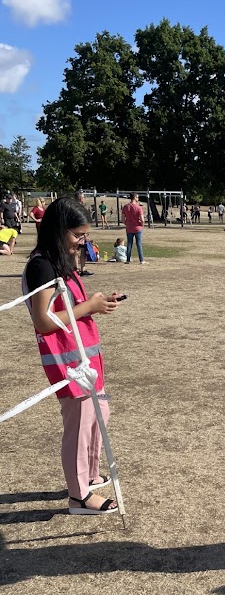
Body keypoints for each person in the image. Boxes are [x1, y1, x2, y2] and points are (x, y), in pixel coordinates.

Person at [22, 197, 124, 513]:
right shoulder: (42, 266)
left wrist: (97, 302)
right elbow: (43, 320)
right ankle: (79, 496)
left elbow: (69, 307)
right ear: (58, 230)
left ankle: (88, 476)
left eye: (84, 235)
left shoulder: (62, 260)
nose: (83, 242)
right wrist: (88, 307)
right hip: (67, 362)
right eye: (77, 235)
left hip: (86, 357)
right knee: (80, 425)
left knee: (98, 416)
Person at [121, 192, 147, 264]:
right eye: (137, 197)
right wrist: (142, 225)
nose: (138, 199)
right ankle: (141, 260)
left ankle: (128, 259)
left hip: (129, 227)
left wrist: (127, 223)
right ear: (135, 198)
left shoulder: (125, 207)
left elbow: (123, 219)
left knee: (129, 243)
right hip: (137, 227)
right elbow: (142, 219)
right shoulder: (138, 208)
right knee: (138, 243)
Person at [73, 191, 93, 277]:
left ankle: (82, 269)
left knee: (83, 250)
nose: (84, 199)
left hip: (82, 232)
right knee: (75, 250)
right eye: (83, 197)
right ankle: (76, 269)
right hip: (77, 232)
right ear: (80, 198)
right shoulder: (75, 208)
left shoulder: (80, 208)